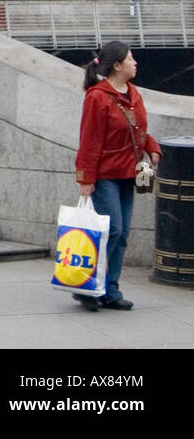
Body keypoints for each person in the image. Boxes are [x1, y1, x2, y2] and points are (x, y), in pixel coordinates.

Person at [73, 42, 162, 312]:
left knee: (122, 233)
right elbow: (89, 141)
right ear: (117, 65)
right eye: (131, 59)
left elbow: (139, 130)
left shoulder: (133, 93)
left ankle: (111, 289)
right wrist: (86, 179)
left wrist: (152, 148)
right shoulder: (97, 97)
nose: (135, 63)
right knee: (111, 230)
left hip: (128, 173)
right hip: (105, 175)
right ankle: (89, 287)